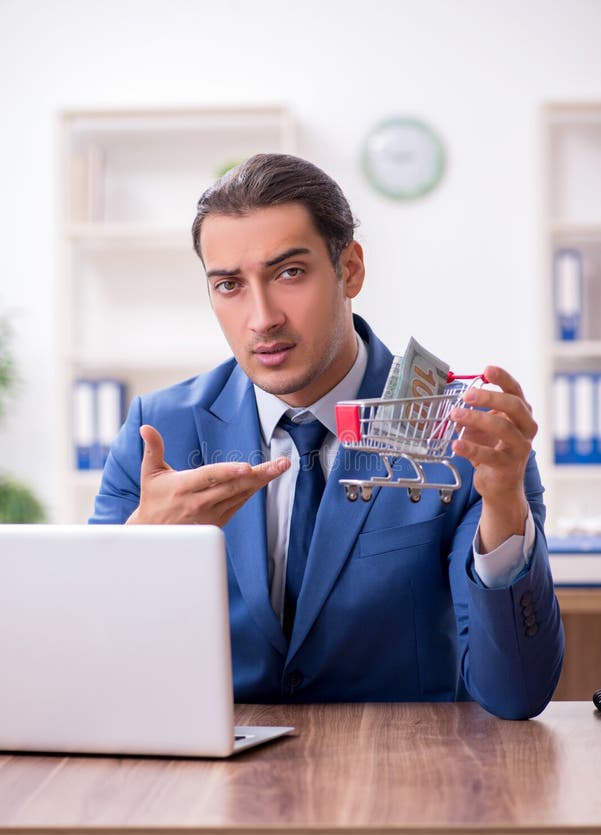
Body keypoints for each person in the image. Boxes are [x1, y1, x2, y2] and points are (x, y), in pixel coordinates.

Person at [90, 153, 564, 719]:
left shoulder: (462, 433)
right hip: (214, 783)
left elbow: (515, 693)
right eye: (229, 285)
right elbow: (91, 668)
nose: (261, 317)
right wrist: (143, 545)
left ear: (351, 270)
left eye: (289, 273)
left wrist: (506, 504)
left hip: (403, 778)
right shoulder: (158, 432)